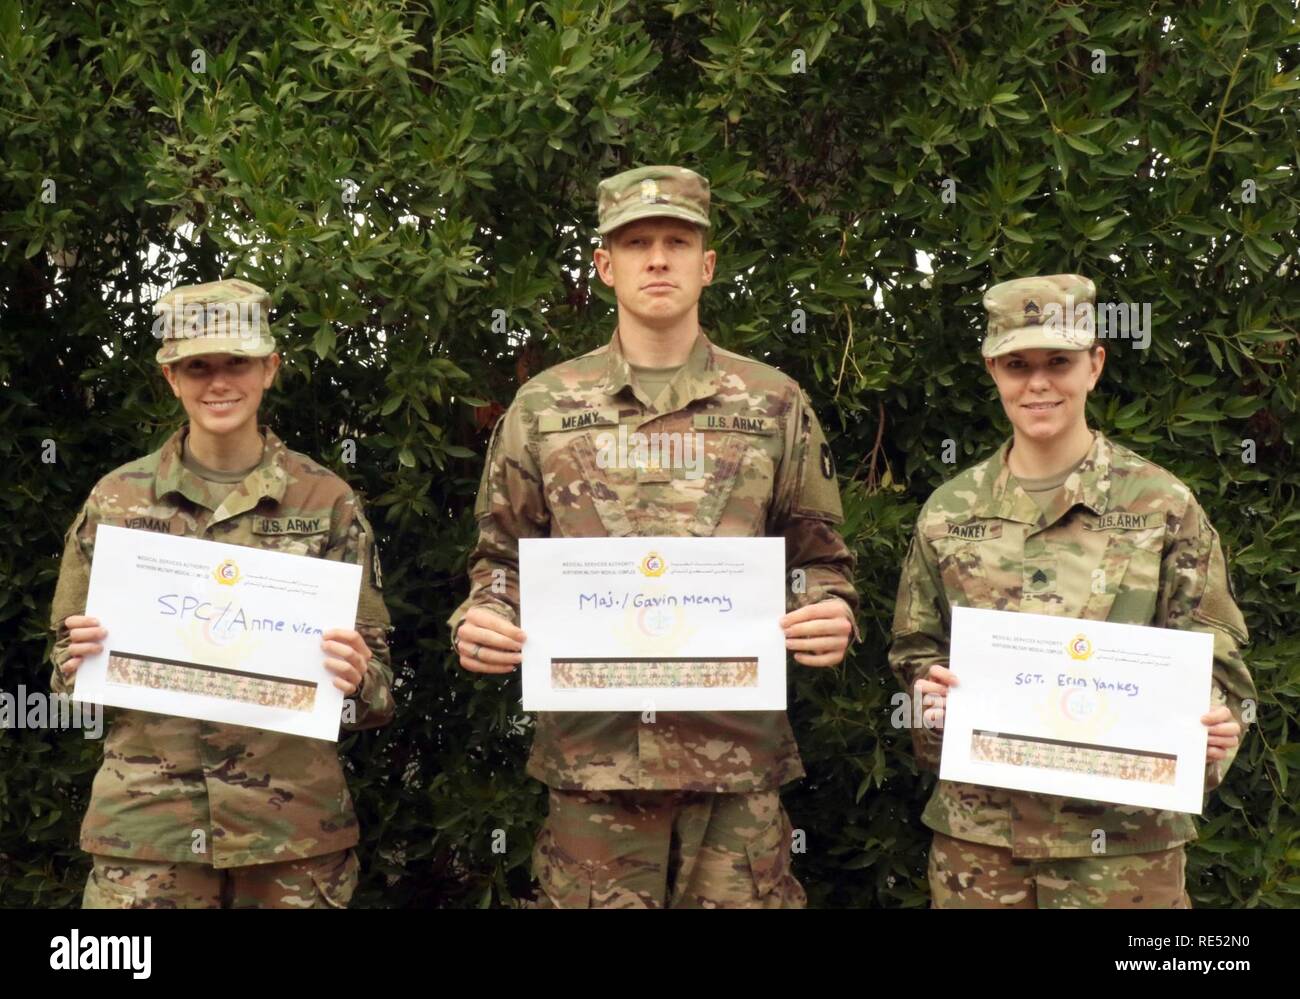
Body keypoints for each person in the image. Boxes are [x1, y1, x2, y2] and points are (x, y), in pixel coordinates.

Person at [448, 165, 859, 908]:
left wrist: (830, 610)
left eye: (678, 240)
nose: (659, 258)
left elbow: (818, 560)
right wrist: (485, 619)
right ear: (605, 266)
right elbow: (500, 558)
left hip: (735, 769)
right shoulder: (543, 408)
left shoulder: (773, 404)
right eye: (637, 243)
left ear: (708, 263)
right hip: (592, 768)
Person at [889, 274, 1255, 908]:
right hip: (982, 844)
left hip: (1125, 847)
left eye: (1058, 361)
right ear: (992, 370)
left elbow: (1214, 648)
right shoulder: (949, 512)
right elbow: (914, 646)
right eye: (1017, 364)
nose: (1038, 383)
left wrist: (1213, 725)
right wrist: (931, 696)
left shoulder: (1162, 505)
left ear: (1095, 365)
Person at [49, 278, 394, 908]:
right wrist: (77, 660)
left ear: (270, 368)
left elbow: (376, 693)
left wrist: (357, 678)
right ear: (170, 379)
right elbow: (67, 680)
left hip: (291, 836)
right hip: (149, 834)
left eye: (236, 362)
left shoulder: (327, 501)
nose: (218, 382)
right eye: (197, 366)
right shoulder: (116, 501)